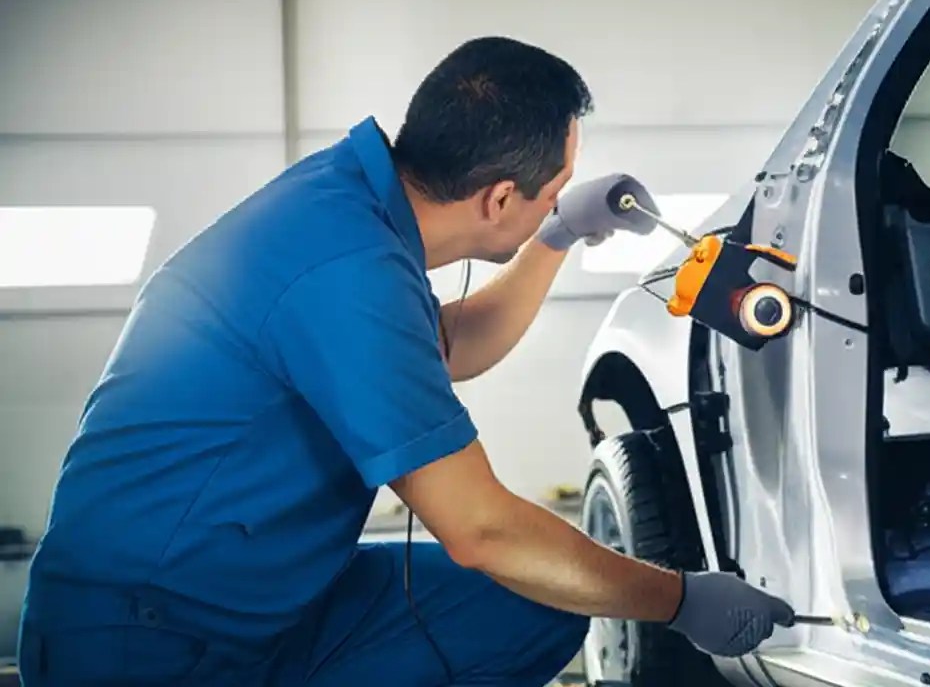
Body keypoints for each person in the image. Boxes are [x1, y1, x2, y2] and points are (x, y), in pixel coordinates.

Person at [17, 36, 793, 686]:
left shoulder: (353, 202)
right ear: (496, 200)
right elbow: (482, 530)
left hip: (271, 602)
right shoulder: (344, 269)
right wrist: (679, 599)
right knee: (519, 567)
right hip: (142, 638)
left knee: (533, 603)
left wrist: (555, 234)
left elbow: (451, 346)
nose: (554, 198)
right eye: (548, 190)